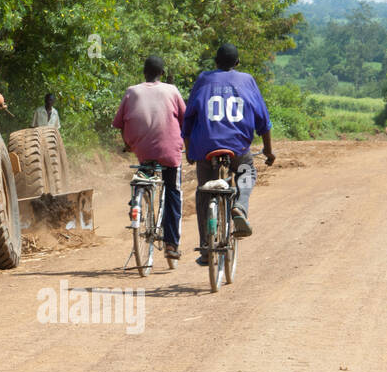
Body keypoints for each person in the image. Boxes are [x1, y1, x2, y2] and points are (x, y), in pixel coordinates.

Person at [182, 43, 276, 265]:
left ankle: (206, 247)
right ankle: (240, 206)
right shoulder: (247, 80)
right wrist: (269, 151)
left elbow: (188, 120)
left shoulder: (204, 79)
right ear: (237, 63)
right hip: (238, 149)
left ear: (215, 62)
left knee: (204, 192)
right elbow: (264, 122)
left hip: (205, 149)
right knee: (247, 171)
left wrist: (190, 151)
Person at [112, 55, 186, 259]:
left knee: (145, 171)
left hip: (142, 150)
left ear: (144, 73)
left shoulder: (132, 91)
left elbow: (120, 124)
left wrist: (128, 144)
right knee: (172, 191)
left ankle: (137, 199)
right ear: (162, 73)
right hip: (169, 151)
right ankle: (171, 244)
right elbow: (185, 120)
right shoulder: (172, 90)